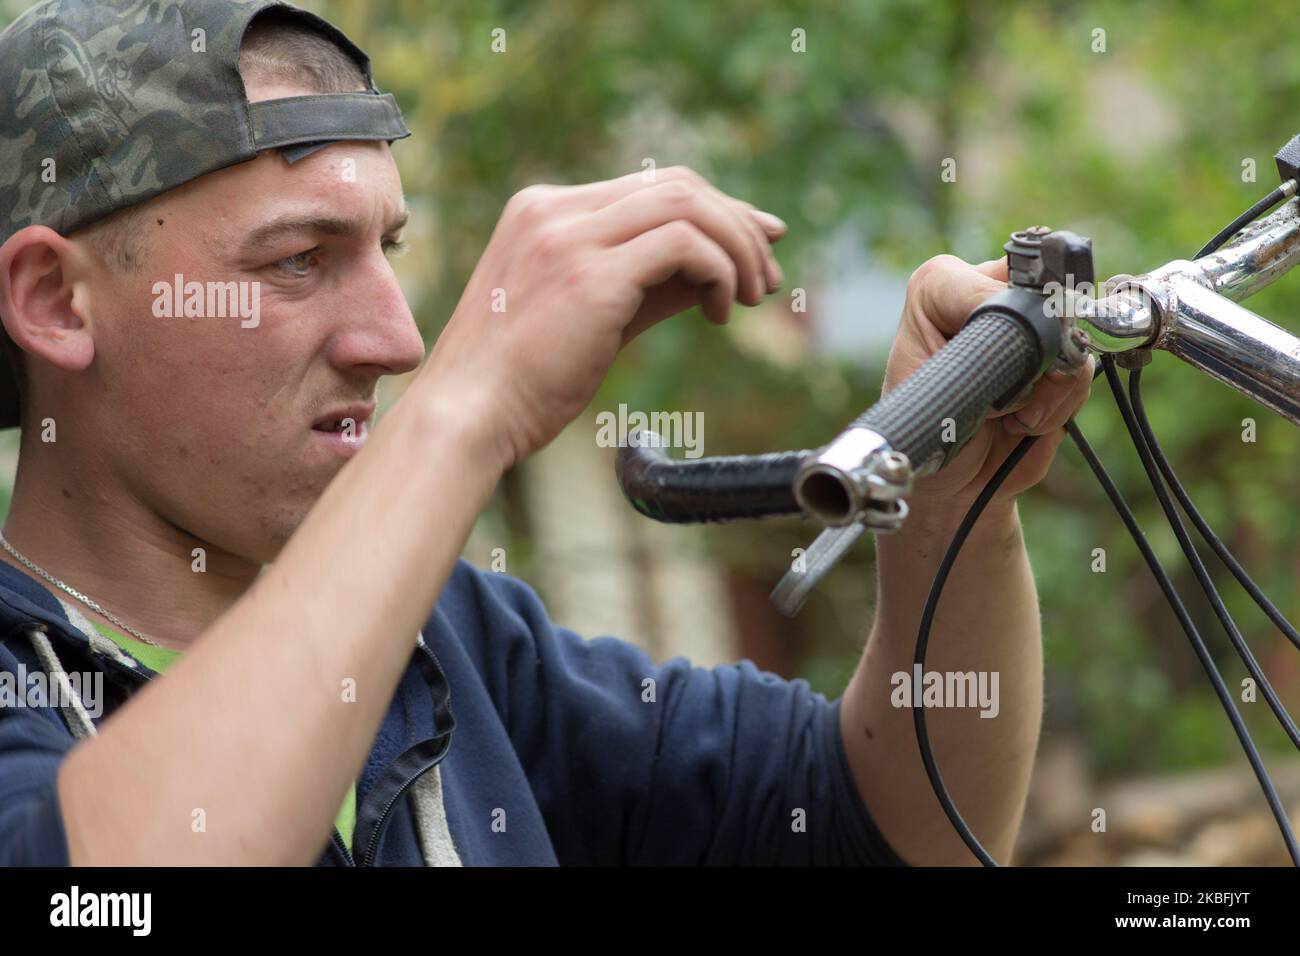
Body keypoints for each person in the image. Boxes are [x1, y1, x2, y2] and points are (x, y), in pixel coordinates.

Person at [0, 0, 1092, 867]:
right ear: (56, 300)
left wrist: (948, 505)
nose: (398, 338)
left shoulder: (451, 644)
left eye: (388, 247)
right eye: (297, 260)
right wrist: (462, 411)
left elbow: (896, 826)